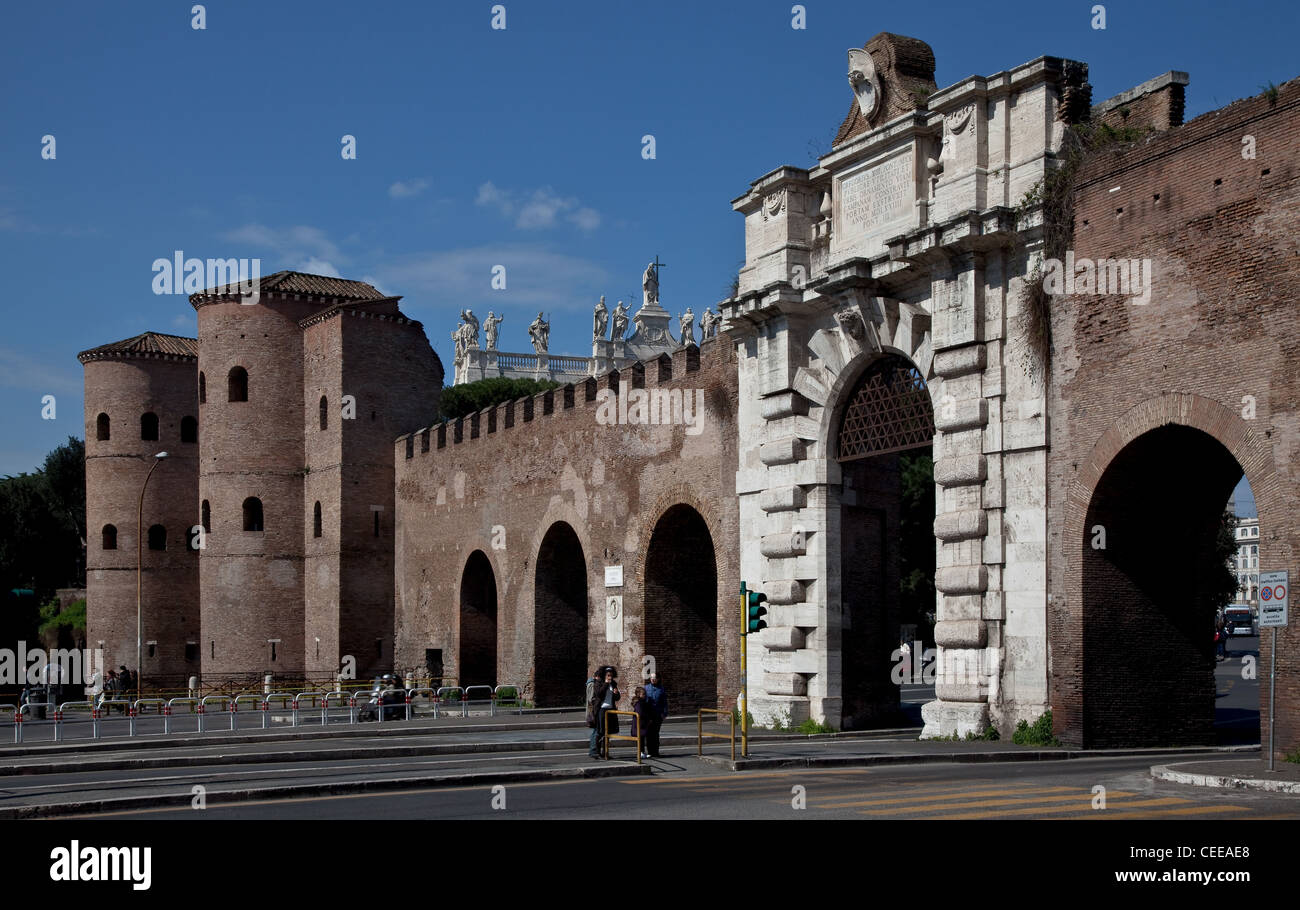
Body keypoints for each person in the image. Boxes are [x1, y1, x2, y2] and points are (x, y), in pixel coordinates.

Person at [587, 666, 620, 758]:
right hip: (602, 709)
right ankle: (596, 751)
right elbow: (599, 694)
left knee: (608, 732)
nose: (610, 676)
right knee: (600, 731)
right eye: (608, 674)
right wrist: (605, 684)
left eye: (611, 674)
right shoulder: (599, 683)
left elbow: (617, 698)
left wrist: (616, 693)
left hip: (611, 709)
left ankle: (605, 752)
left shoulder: (613, 683)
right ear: (604, 675)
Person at [644, 672, 668, 758]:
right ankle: (650, 751)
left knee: (655, 733)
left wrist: (664, 713)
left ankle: (656, 751)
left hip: (658, 714)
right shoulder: (646, 688)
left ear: (658, 679)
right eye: (651, 678)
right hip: (648, 714)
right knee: (649, 733)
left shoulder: (661, 689)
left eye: (654, 678)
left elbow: (664, 702)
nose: (653, 679)